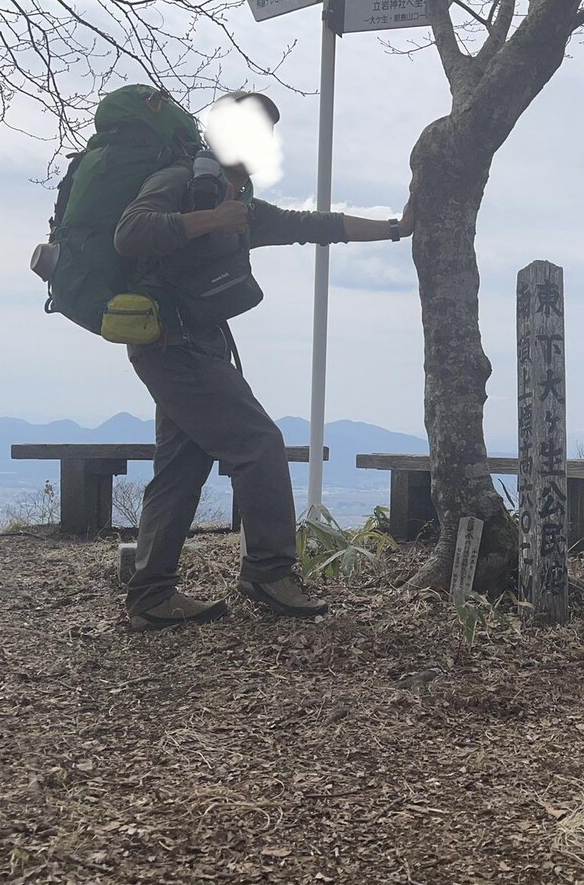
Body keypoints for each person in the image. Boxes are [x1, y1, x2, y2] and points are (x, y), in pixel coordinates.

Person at [115, 91, 413, 633]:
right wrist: (207, 220)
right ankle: (268, 572)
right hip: (170, 343)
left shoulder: (240, 205)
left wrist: (396, 227)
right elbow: (131, 232)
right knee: (259, 443)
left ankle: (151, 594)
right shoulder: (181, 179)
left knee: (182, 466)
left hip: (194, 344)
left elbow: (311, 224)